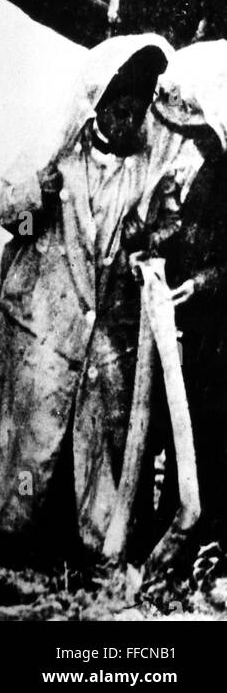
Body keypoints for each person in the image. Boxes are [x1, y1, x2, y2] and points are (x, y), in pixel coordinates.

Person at [0, 35, 172, 555]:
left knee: (98, 440)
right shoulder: (57, 151)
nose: (129, 114)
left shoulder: (152, 166)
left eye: (139, 102)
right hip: (43, 324)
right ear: (98, 100)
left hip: (108, 333)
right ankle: (4, 535)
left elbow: (163, 233)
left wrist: (154, 235)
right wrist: (39, 190)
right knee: (30, 434)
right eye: (120, 100)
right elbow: (8, 214)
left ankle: (91, 542)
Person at [137, 41, 227, 561]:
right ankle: (182, 529)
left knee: (216, 434)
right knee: (187, 432)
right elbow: (190, 233)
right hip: (202, 330)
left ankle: (209, 543)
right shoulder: (209, 172)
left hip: (223, 331)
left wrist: (207, 281)